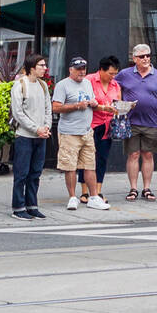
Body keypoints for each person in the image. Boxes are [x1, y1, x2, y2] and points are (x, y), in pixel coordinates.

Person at [52, 58, 109, 211]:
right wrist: (77, 106)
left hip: (86, 131)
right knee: (70, 167)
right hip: (69, 133)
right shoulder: (62, 85)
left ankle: (94, 197)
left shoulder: (87, 83)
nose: (82, 71)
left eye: (84, 68)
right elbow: (56, 107)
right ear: (70, 69)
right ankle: (72, 197)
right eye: (78, 69)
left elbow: (91, 102)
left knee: (90, 165)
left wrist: (95, 104)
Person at [116, 44, 157, 201]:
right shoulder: (124, 74)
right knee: (133, 154)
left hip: (152, 121)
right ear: (134, 59)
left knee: (148, 154)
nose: (146, 58)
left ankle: (147, 188)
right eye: (142, 56)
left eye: (148, 55)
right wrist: (119, 108)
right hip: (130, 121)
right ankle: (133, 188)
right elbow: (114, 89)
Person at [9, 54, 52, 220]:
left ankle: (32, 205)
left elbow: (48, 107)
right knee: (22, 173)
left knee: (35, 173)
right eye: (41, 65)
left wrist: (46, 126)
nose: (44, 68)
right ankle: (18, 207)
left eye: (44, 65)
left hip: (41, 135)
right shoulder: (20, 85)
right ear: (32, 67)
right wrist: (36, 129)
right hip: (25, 136)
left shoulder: (42, 85)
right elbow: (18, 113)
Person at [84, 56, 122, 203]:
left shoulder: (115, 85)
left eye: (115, 74)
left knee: (102, 158)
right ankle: (85, 191)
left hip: (108, 125)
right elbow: (86, 101)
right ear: (101, 70)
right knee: (87, 158)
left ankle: (98, 191)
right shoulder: (89, 80)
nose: (113, 77)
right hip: (91, 124)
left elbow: (118, 102)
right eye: (110, 73)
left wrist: (122, 108)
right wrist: (103, 107)